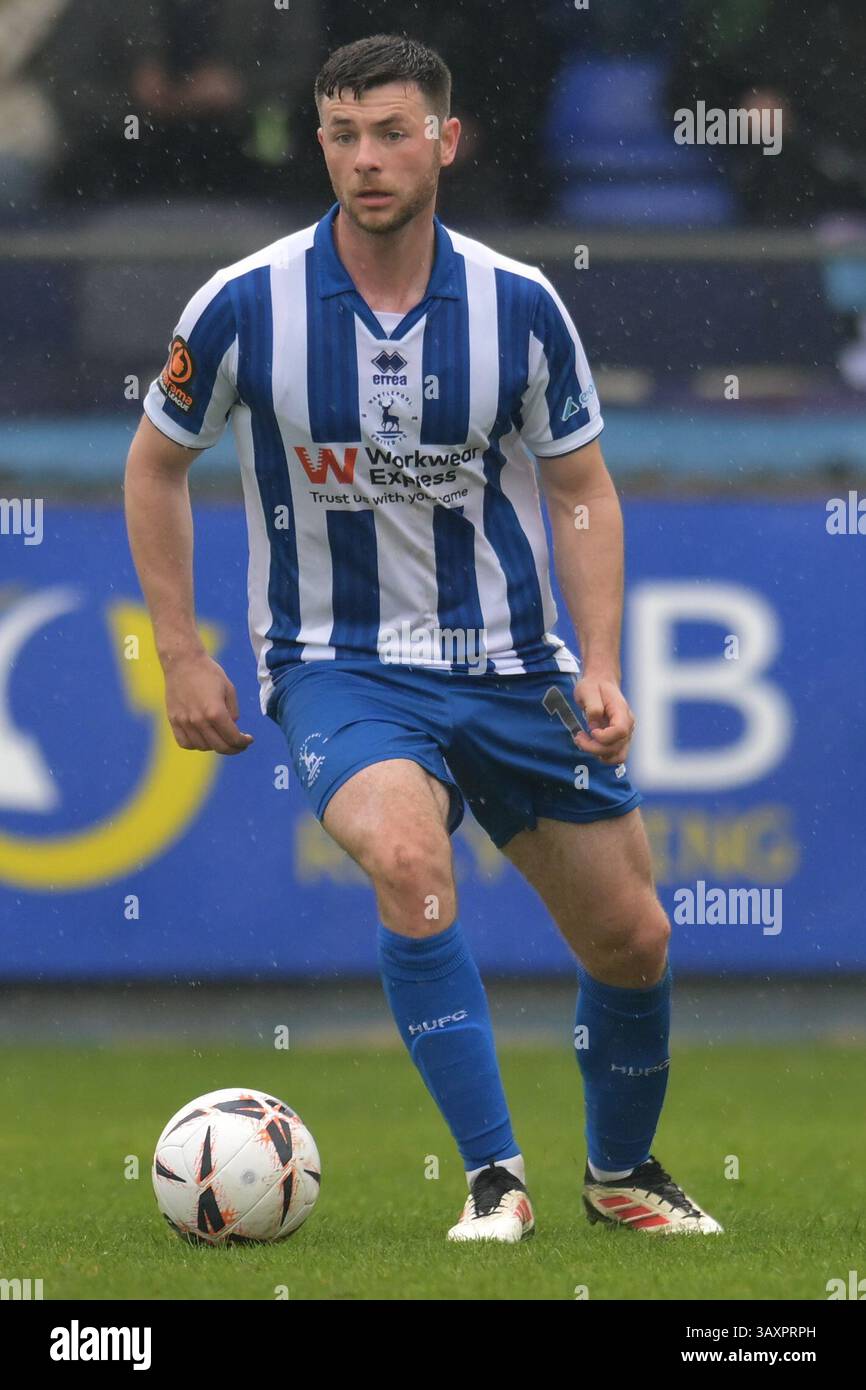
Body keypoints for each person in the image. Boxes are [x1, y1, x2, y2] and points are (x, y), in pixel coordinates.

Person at [125, 33, 722, 1241]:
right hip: (337, 665)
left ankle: (621, 1175)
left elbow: (580, 490)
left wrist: (599, 663)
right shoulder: (247, 302)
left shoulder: (519, 303)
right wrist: (182, 651)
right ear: (319, 143)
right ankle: (494, 1177)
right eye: (341, 134)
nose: (365, 159)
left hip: (512, 666)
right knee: (409, 863)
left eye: (392, 132)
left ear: (445, 142)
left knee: (634, 935)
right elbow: (154, 467)